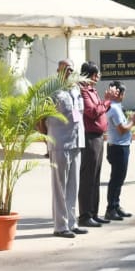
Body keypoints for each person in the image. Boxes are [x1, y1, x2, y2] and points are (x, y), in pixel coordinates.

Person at [46, 59, 86, 238]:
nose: (69, 72)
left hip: (77, 142)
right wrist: (47, 139)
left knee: (73, 185)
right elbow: (41, 118)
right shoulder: (53, 91)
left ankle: (72, 222)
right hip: (60, 143)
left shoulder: (76, 89)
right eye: (66, 69)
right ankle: (60, 226)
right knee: (59, 186)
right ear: (58, 71)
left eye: (71, 69)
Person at [78, 61, 115, 228]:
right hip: (89, 137)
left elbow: (100, 109)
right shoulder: (83, 91)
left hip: (99, 136)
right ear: (90, 75)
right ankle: (85, 215)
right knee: (88, 177)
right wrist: (107, 101)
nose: (99, 77)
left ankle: (94, 212)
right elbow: (92, 112)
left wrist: (106, 102)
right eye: (96, 74)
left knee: (96, 177)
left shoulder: (93, 90)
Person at [104, 81, 135, 221]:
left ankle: (116, 205)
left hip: (119, 146)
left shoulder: (114, 107)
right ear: (120, 94)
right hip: (118, 147)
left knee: (119, 178)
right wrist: (133, 121)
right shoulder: (114, 108)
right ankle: (111, 208)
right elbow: (122, 129)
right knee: (116, 179)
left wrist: (131, 120)